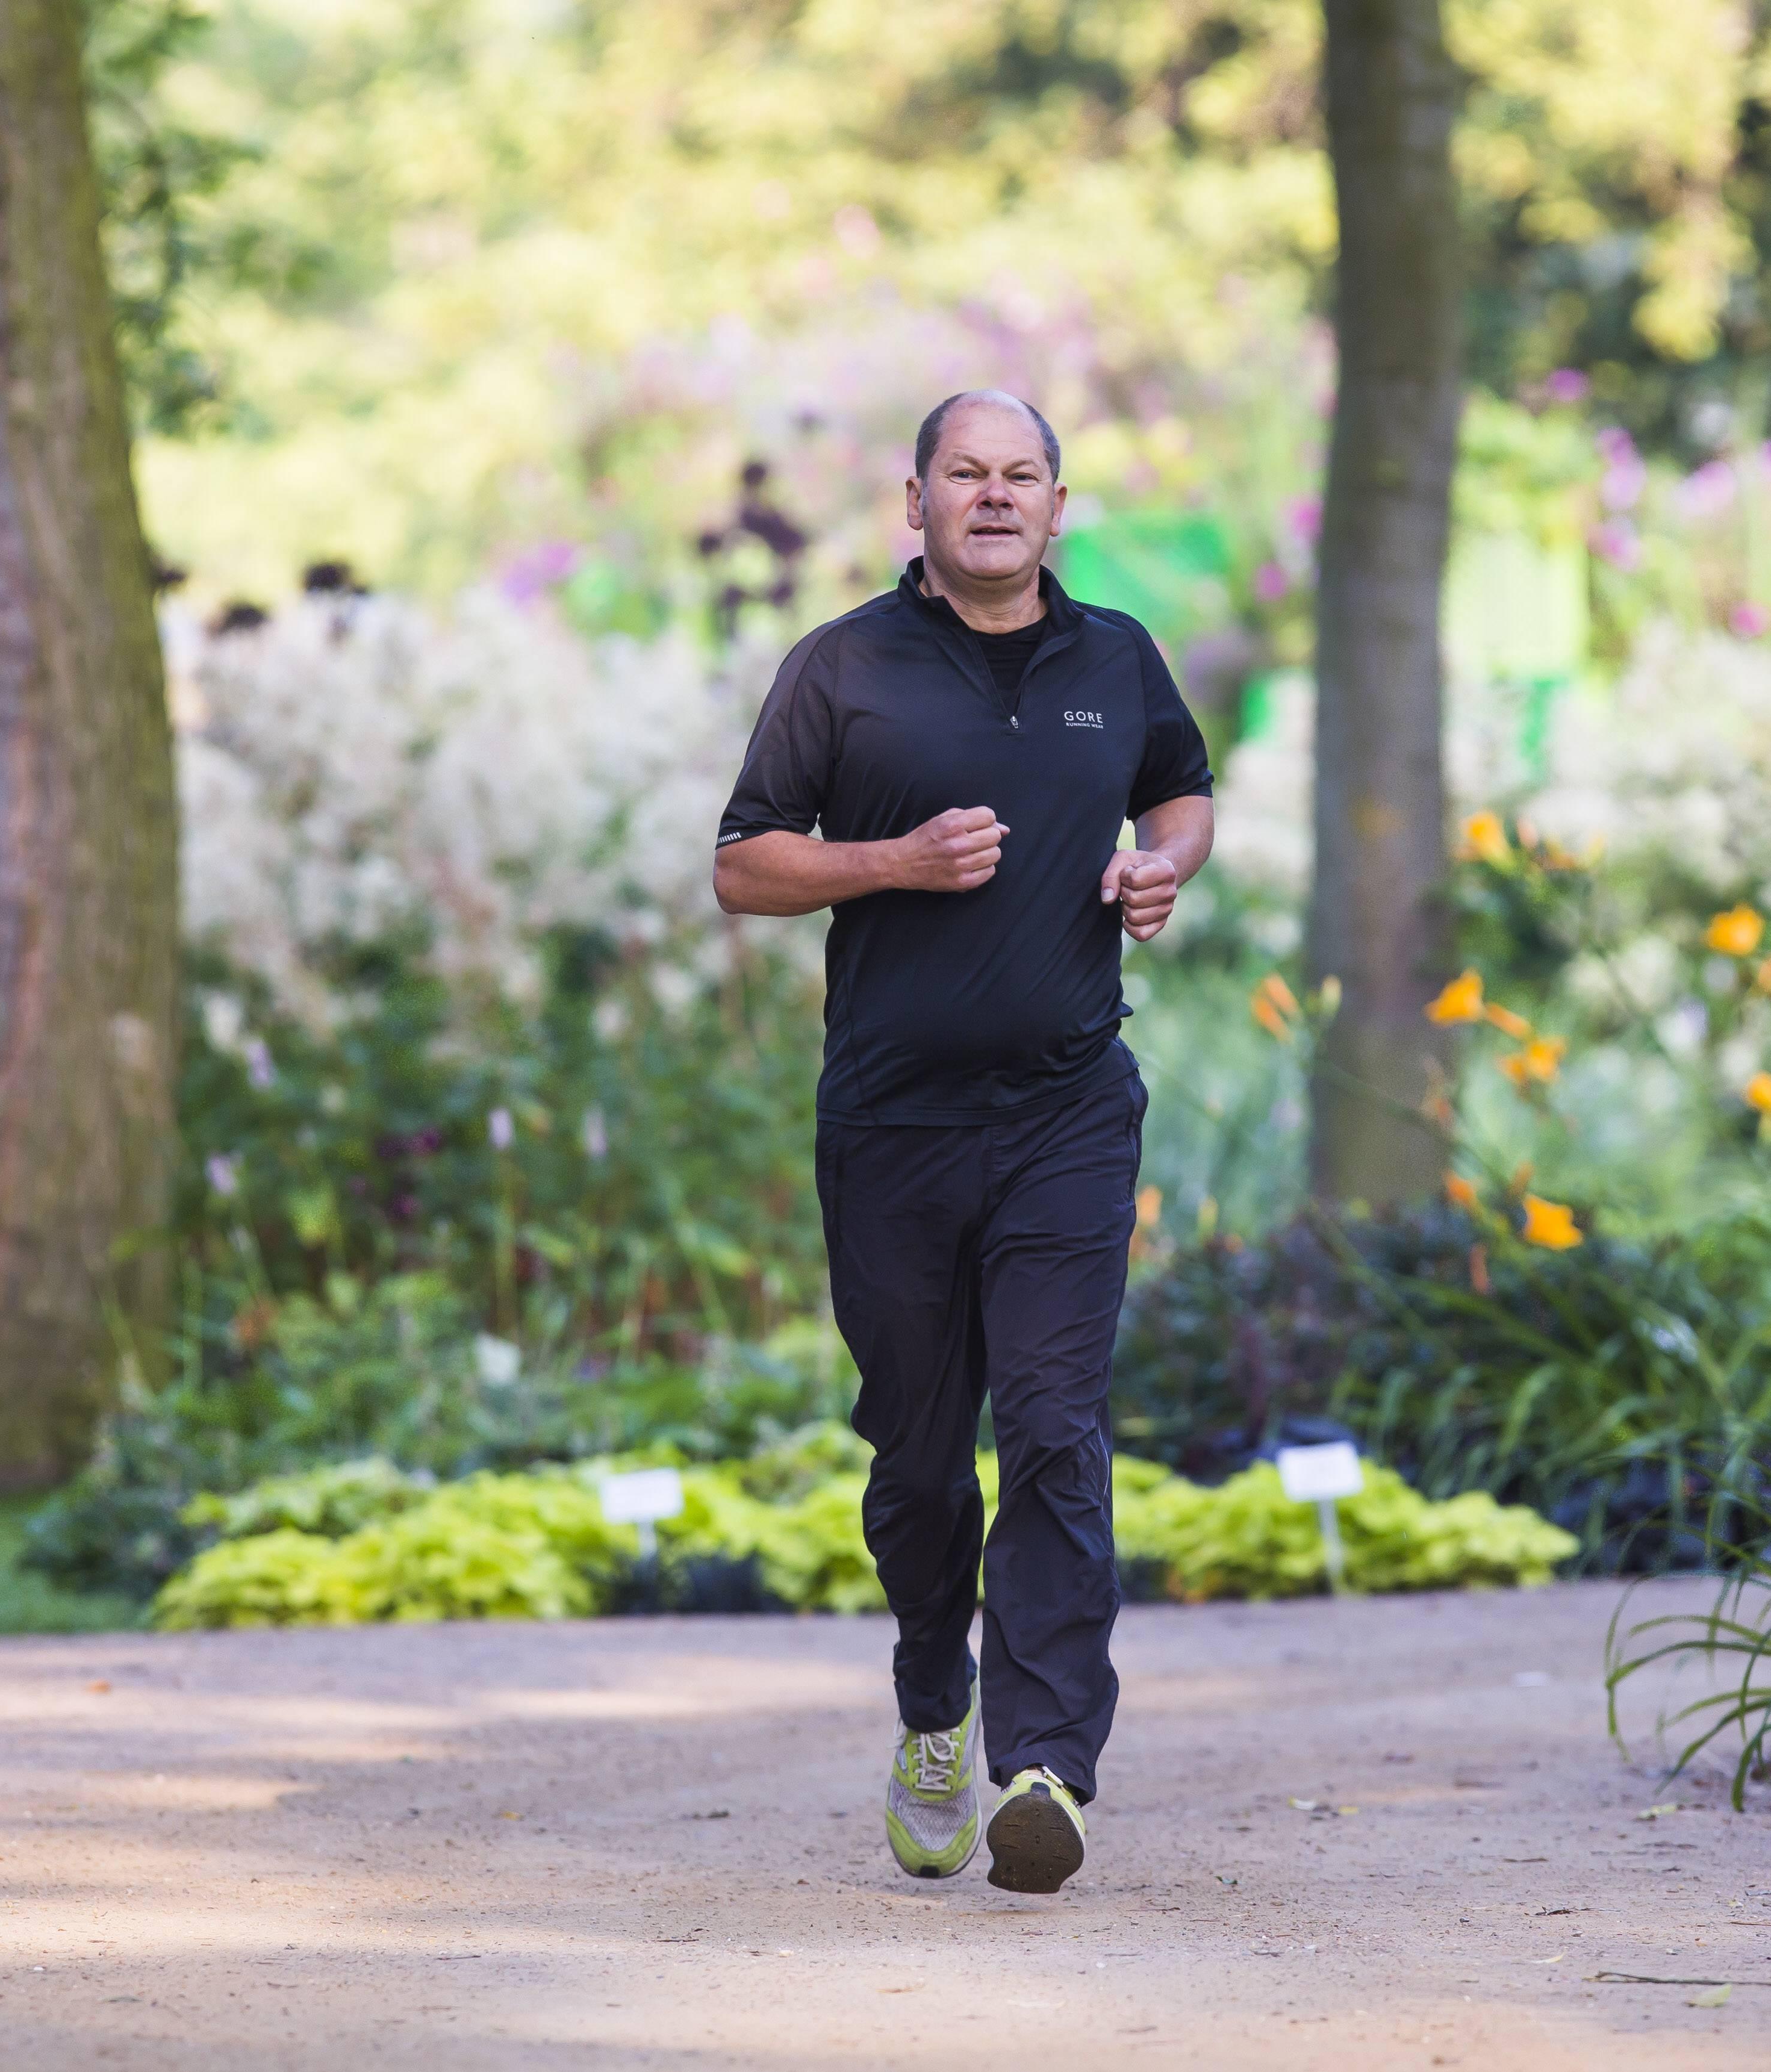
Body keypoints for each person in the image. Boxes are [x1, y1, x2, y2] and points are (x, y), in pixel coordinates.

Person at [712, 390, 1215, 1894]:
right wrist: (894, 863)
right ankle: (936, 1700)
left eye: (1022, 477)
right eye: (965, 475)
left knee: (1054, 1426)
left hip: (1067, 1107)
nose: (994, 498)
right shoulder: (845, 666)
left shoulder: (1115, 656)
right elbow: (743, 863)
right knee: (920, 1460)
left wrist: (1162, 864)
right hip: (892, 1124)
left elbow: (1180, 786)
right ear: (915, 500)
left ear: (1059, 506)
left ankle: (1047, 1763)